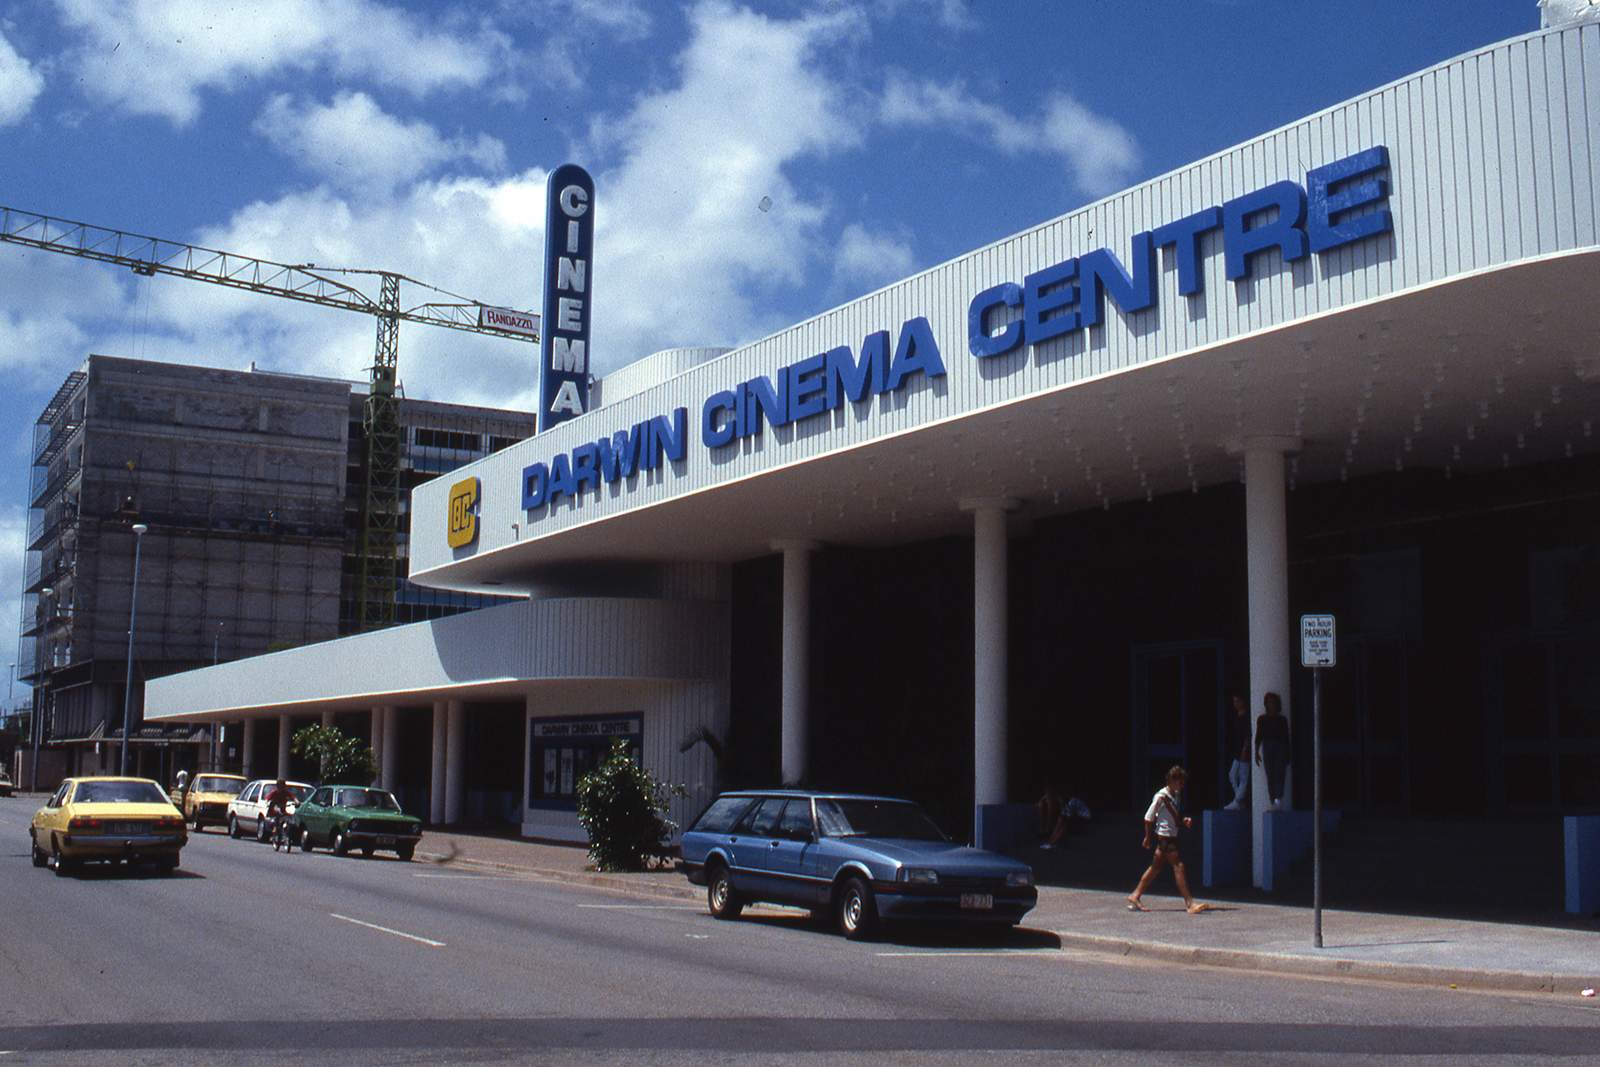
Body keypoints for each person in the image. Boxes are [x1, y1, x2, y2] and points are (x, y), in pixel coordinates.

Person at [1127, 765, 1207, 914]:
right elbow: (1148, 817)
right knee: (1178, 866)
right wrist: (1147, 837)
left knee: (1155, 868)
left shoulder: (1174, 795)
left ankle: (1135, 895)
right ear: (1172, 780)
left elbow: (1173, 815)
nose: (1182, 786)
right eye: (1180, 782)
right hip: (1165, 837)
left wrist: (1183, 820)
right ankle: (1189, 903)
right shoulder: (1160, 796)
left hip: (1170, 835)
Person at [1254, 691, 1291, 808]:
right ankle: (1273, 800)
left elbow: (1286, 738)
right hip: (1267, 746)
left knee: (1279, 772)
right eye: (1269, 702)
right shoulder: (1262, 719)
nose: (1271, 705)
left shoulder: (1282, 720)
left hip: (1280, 746)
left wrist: (1288, 754)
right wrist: (1256, 752)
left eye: (1273, 702)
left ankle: (1278, 798)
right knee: (1270, 773)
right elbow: (1258, 736)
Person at [1224, 692, 1251, 810]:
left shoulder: (1246, 717)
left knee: (1243, 775)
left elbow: (1247, 734)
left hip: (1244, 750)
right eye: (1234, 701)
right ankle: (1239, 799)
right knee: (1232, 774)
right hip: (1237, 749)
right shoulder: (1236, 716)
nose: (1236, 704)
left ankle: (1238, 800)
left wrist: (1245, 748)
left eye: (1237, 701)